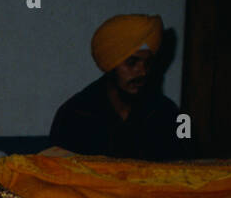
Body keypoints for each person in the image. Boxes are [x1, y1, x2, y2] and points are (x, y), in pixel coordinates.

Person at [48, 14, 191, 161]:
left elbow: (185, 172)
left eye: (147, 63)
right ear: (111, 65)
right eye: (132, 63)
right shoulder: (74, 115)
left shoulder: (167, 114)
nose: (142, 72)